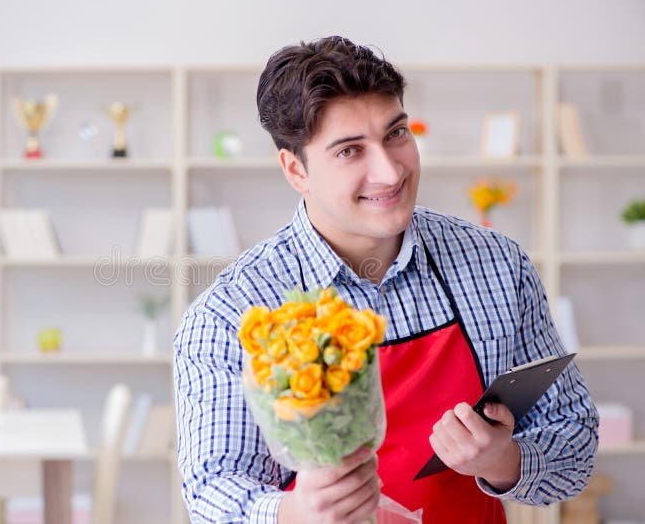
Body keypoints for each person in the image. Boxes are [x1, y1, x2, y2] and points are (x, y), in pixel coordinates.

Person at [173, 35, 598, 524]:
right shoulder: (233, 312)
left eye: (396, 133)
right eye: (350, 151)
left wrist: (503, 460)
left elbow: (576, 443)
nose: (390, 170)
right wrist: (292, 512)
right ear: (296, 170)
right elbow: (212, 493)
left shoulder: (497, 266)